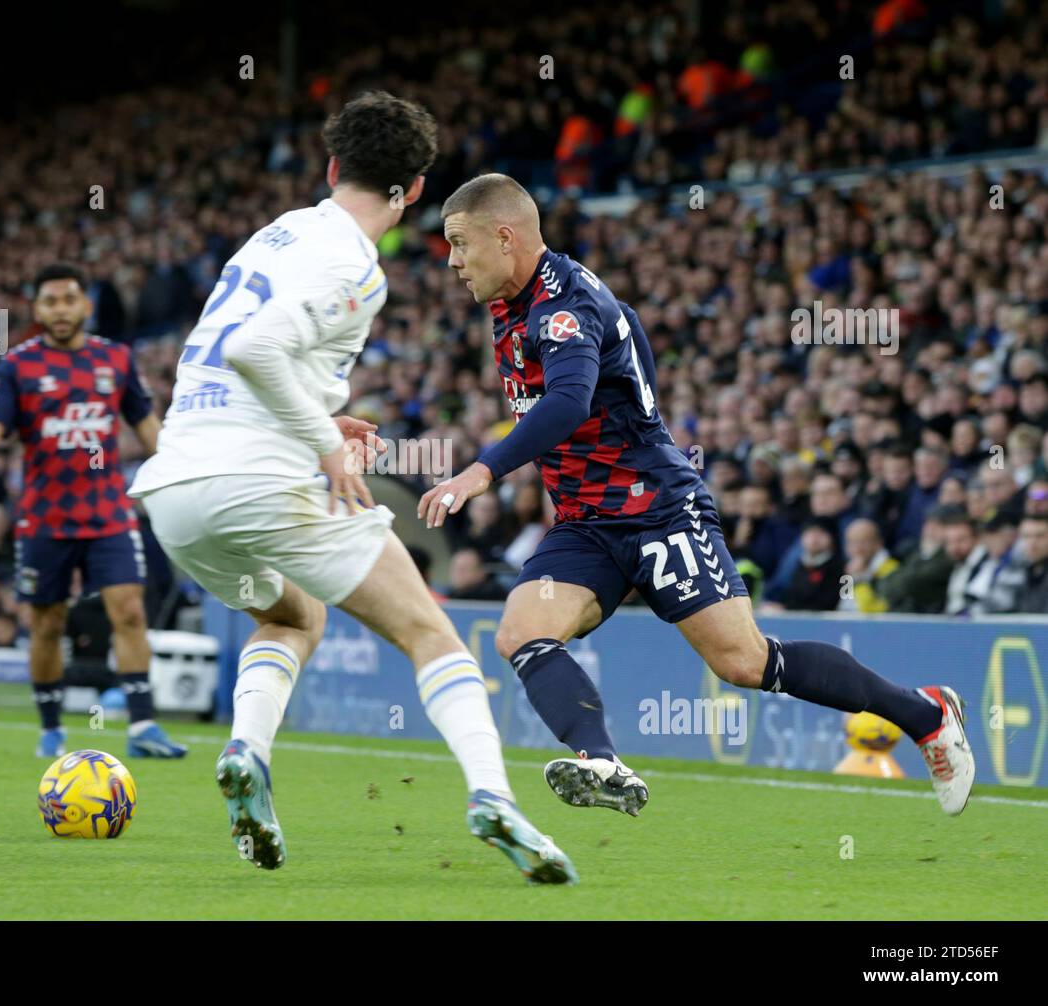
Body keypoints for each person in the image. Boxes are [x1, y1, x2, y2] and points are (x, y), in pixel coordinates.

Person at [425, 172, 974, 819]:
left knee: (743, 662)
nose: (454, 262)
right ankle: (600, 760)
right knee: (522, 631)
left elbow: (569, 401)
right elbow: (632, 346)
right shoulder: (514, 304)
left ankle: (926, 713)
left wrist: (482, 471)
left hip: (657, 511)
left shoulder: (562, 305)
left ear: (505, 236)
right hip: (586, 522)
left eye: (461, 244)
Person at [127, 93, 575, 882]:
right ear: (413, 191)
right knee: (430, 633)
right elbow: (257, 352)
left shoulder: (272, 237)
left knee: (291, 616)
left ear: (333, 167)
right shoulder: (354, 267)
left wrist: (325, 426)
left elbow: (239, 355)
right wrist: (320, 444)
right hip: (256, 480)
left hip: (174, 488)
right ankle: (492, 798)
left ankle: (247, 754)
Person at [0, 263, 187, 761]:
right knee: (47, 625)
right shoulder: (18, 366)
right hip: (45, 517)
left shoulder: (115, 360)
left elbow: (145, 423)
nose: (61, 309)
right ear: (37, 309)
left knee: (128, 610)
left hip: (108, 513)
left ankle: (142, 723)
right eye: (50, 301)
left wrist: (175, 469)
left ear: (86, 305)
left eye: (69, 299)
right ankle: (52, 729)